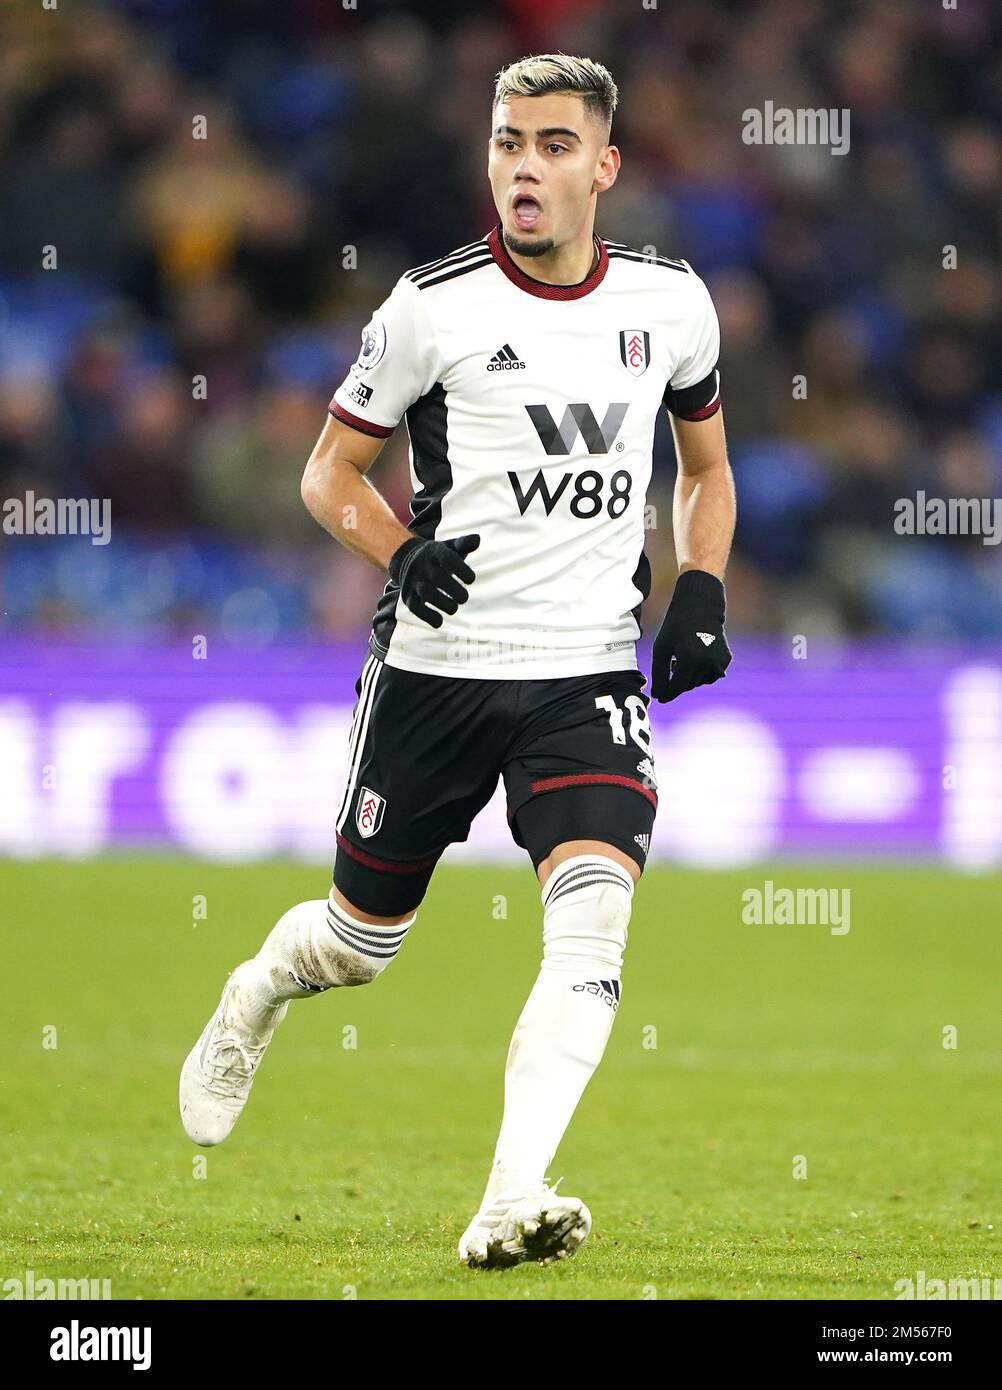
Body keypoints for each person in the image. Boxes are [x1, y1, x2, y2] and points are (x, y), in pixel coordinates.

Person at [180, 52, 735, 1270]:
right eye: (505, 142)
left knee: (592, 934)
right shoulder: (430, 308)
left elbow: (704, 471)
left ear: (606, 165)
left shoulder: (672, 305)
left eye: (549, 145)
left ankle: (508, 1197)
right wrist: (398, 554)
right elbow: (328, 473)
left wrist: (699, 584)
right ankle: (259, 989)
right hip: (438, 668)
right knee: (359, 943)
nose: (523, 168)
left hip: (586, 672)